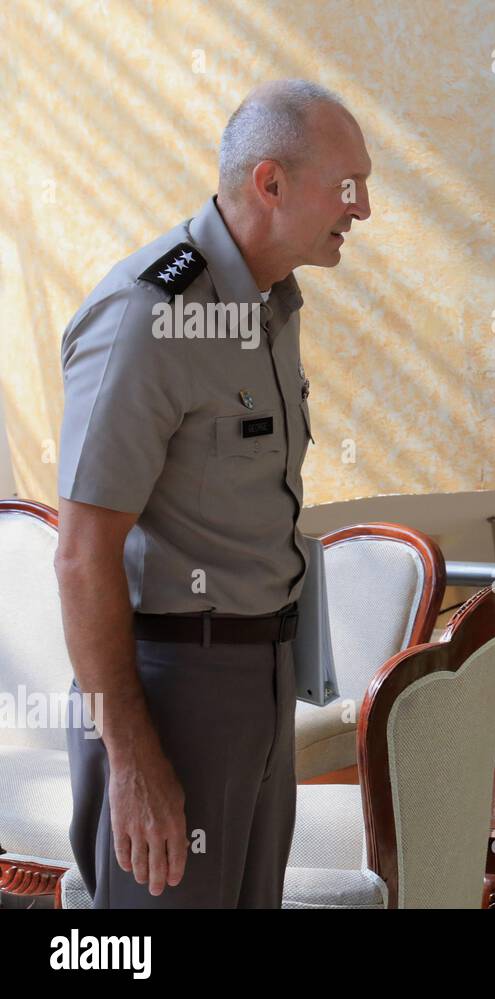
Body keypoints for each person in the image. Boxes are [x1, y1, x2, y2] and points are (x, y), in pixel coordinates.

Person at [54, 80, 371, 907]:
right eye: (347, 185)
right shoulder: (146, 315)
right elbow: (82, 555)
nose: (363, 208)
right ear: (270, 183)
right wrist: (132, 759)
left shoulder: (274, 304)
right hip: (168, 689)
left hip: (261, 680)